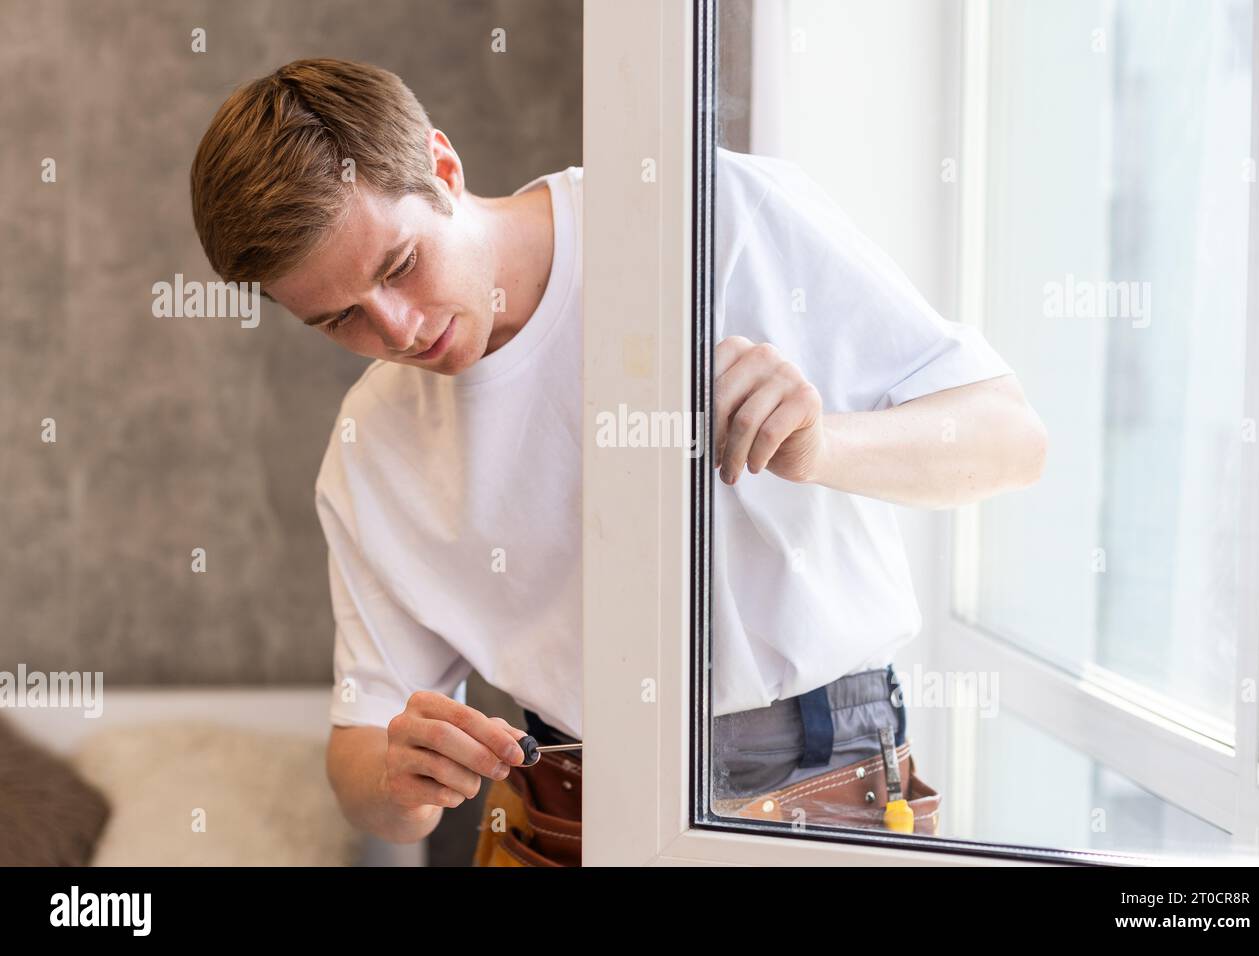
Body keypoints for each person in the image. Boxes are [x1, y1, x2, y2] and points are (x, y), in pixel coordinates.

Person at [189, 58, 1047, 852]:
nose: (398, 330)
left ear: (441, 166)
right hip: (568, 809)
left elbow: (1011, 441)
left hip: (829, 774)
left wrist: (824, 446)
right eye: (339, 320)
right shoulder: (370, 445)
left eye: (402, 266)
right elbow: (362, 758)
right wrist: (397, 776)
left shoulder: (710, 218)